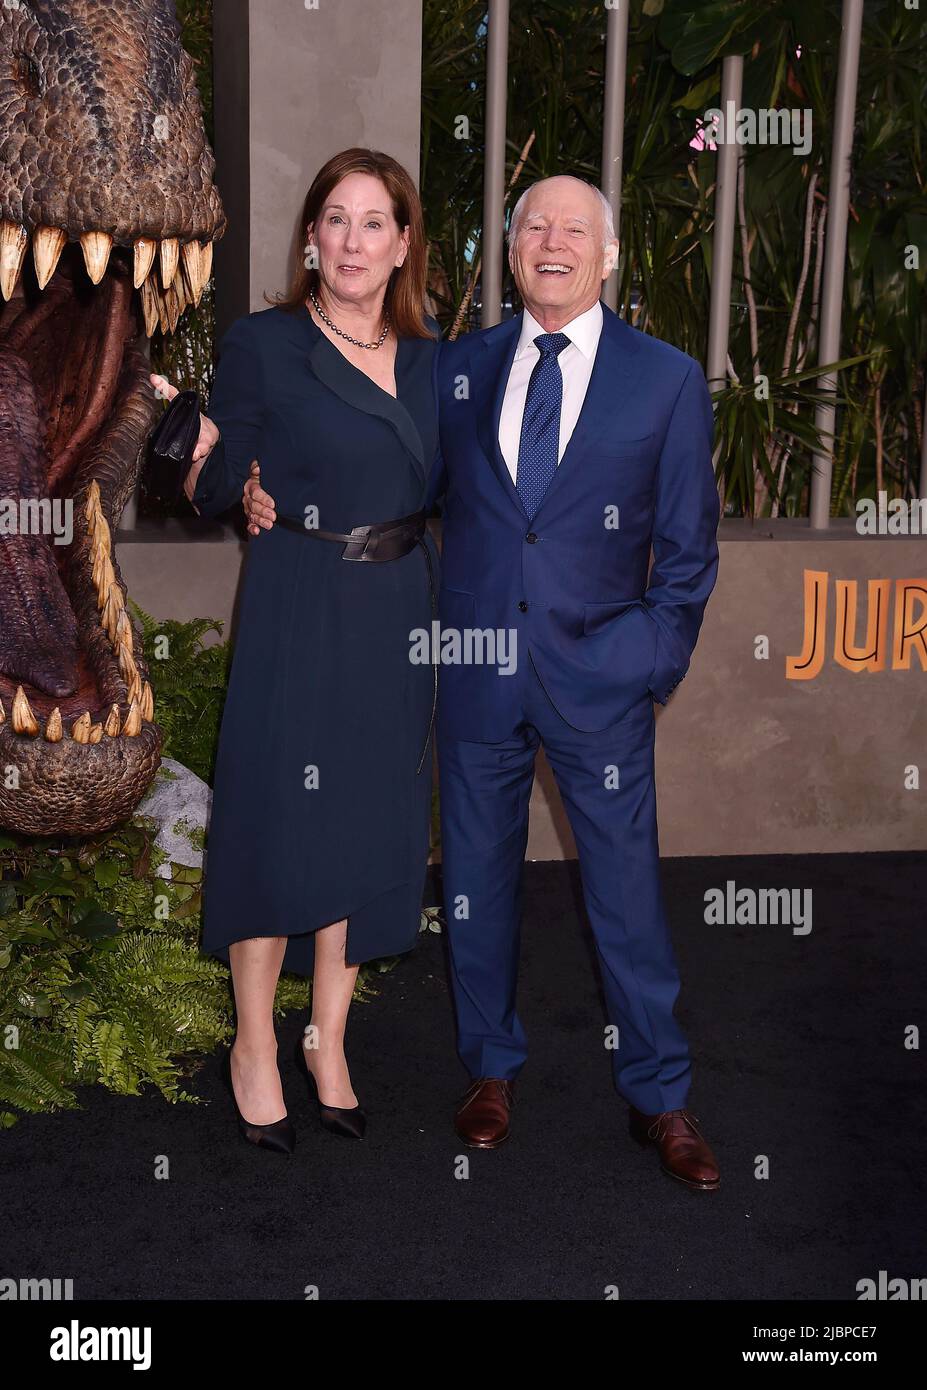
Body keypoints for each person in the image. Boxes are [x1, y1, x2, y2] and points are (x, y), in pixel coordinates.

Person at [246, 174, 722, 1190]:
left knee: (626, 893)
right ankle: (490, 1067)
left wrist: (647, 660)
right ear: (512, 254)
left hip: (601, 683)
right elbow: (386, 474)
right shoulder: (455, 370)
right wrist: (261, 491)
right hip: (472, 676)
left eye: (573, 229)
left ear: (608, 254)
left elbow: (687, 554)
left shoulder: (667, 379)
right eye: (533, 227)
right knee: (473, 888)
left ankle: (661, 1094)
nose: (552, 242)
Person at [151, 148, 439, 1154]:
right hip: (300, 597)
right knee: (281, 816)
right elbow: (220, 475)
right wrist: (214, 470)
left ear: (404, 244)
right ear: (311, 238)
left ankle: (327, 1039)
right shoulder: (265, 341)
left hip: (397, 609)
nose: (353, 240)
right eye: (336, 219)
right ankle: (253, 1047)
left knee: (364, 820)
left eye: (374, 222)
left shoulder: (436, 359)